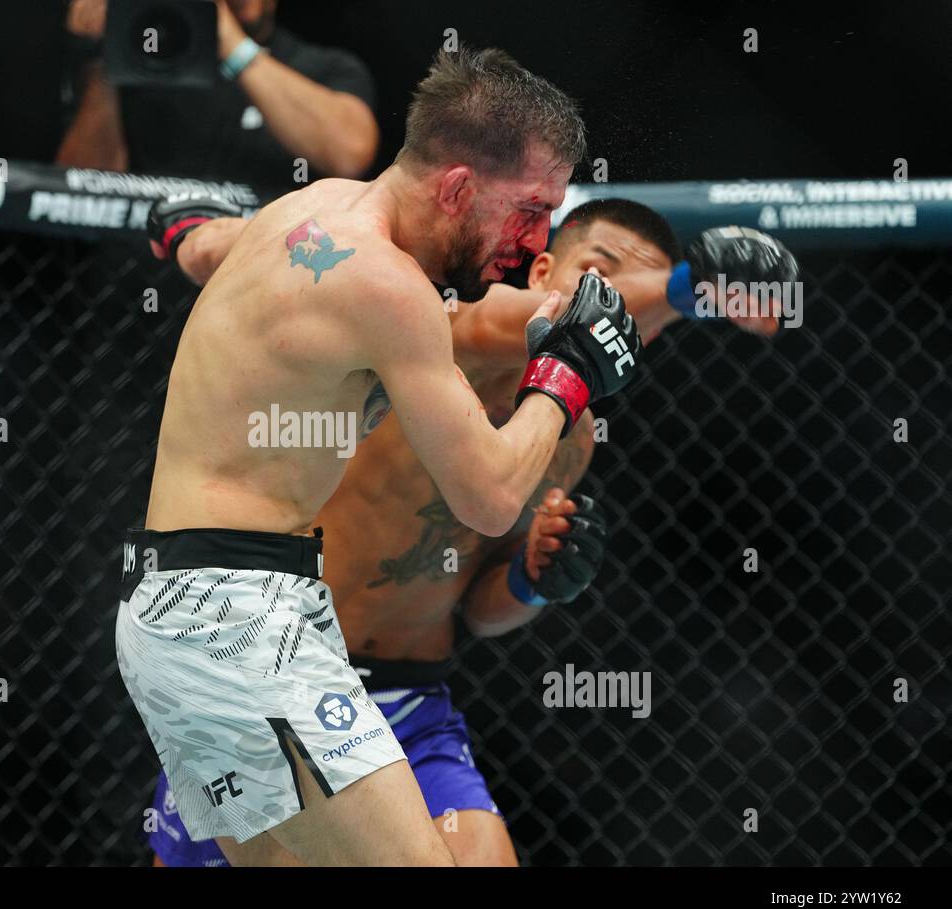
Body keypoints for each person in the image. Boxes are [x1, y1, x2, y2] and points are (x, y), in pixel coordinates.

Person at [144, 197, 799, 865]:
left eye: (637, 302)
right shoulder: (441, 335)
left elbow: (478, 610)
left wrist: (533, 579)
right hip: (279, 674)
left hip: (411, 696)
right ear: (542, 271)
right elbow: (506, 320)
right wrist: (691, 289)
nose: (615, 306)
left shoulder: (568, 434)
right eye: (597, 278)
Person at [115, 46, 648, 867]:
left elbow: (205, 249)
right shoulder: (388, 289)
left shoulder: (311, 208)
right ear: (460, 188)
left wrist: (186, 228)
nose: (537, 239)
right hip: (242, 615)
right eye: (532, 210)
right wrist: (568, 377)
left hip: (178, 608)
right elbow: (491, 500)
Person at [57, 0, 379, 197]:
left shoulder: (326, 68)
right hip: (145, 287)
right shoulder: (149, 65)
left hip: (271, 279)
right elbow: (79, 189)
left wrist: (230, 42)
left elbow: (350, 152)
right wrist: (107, 53)